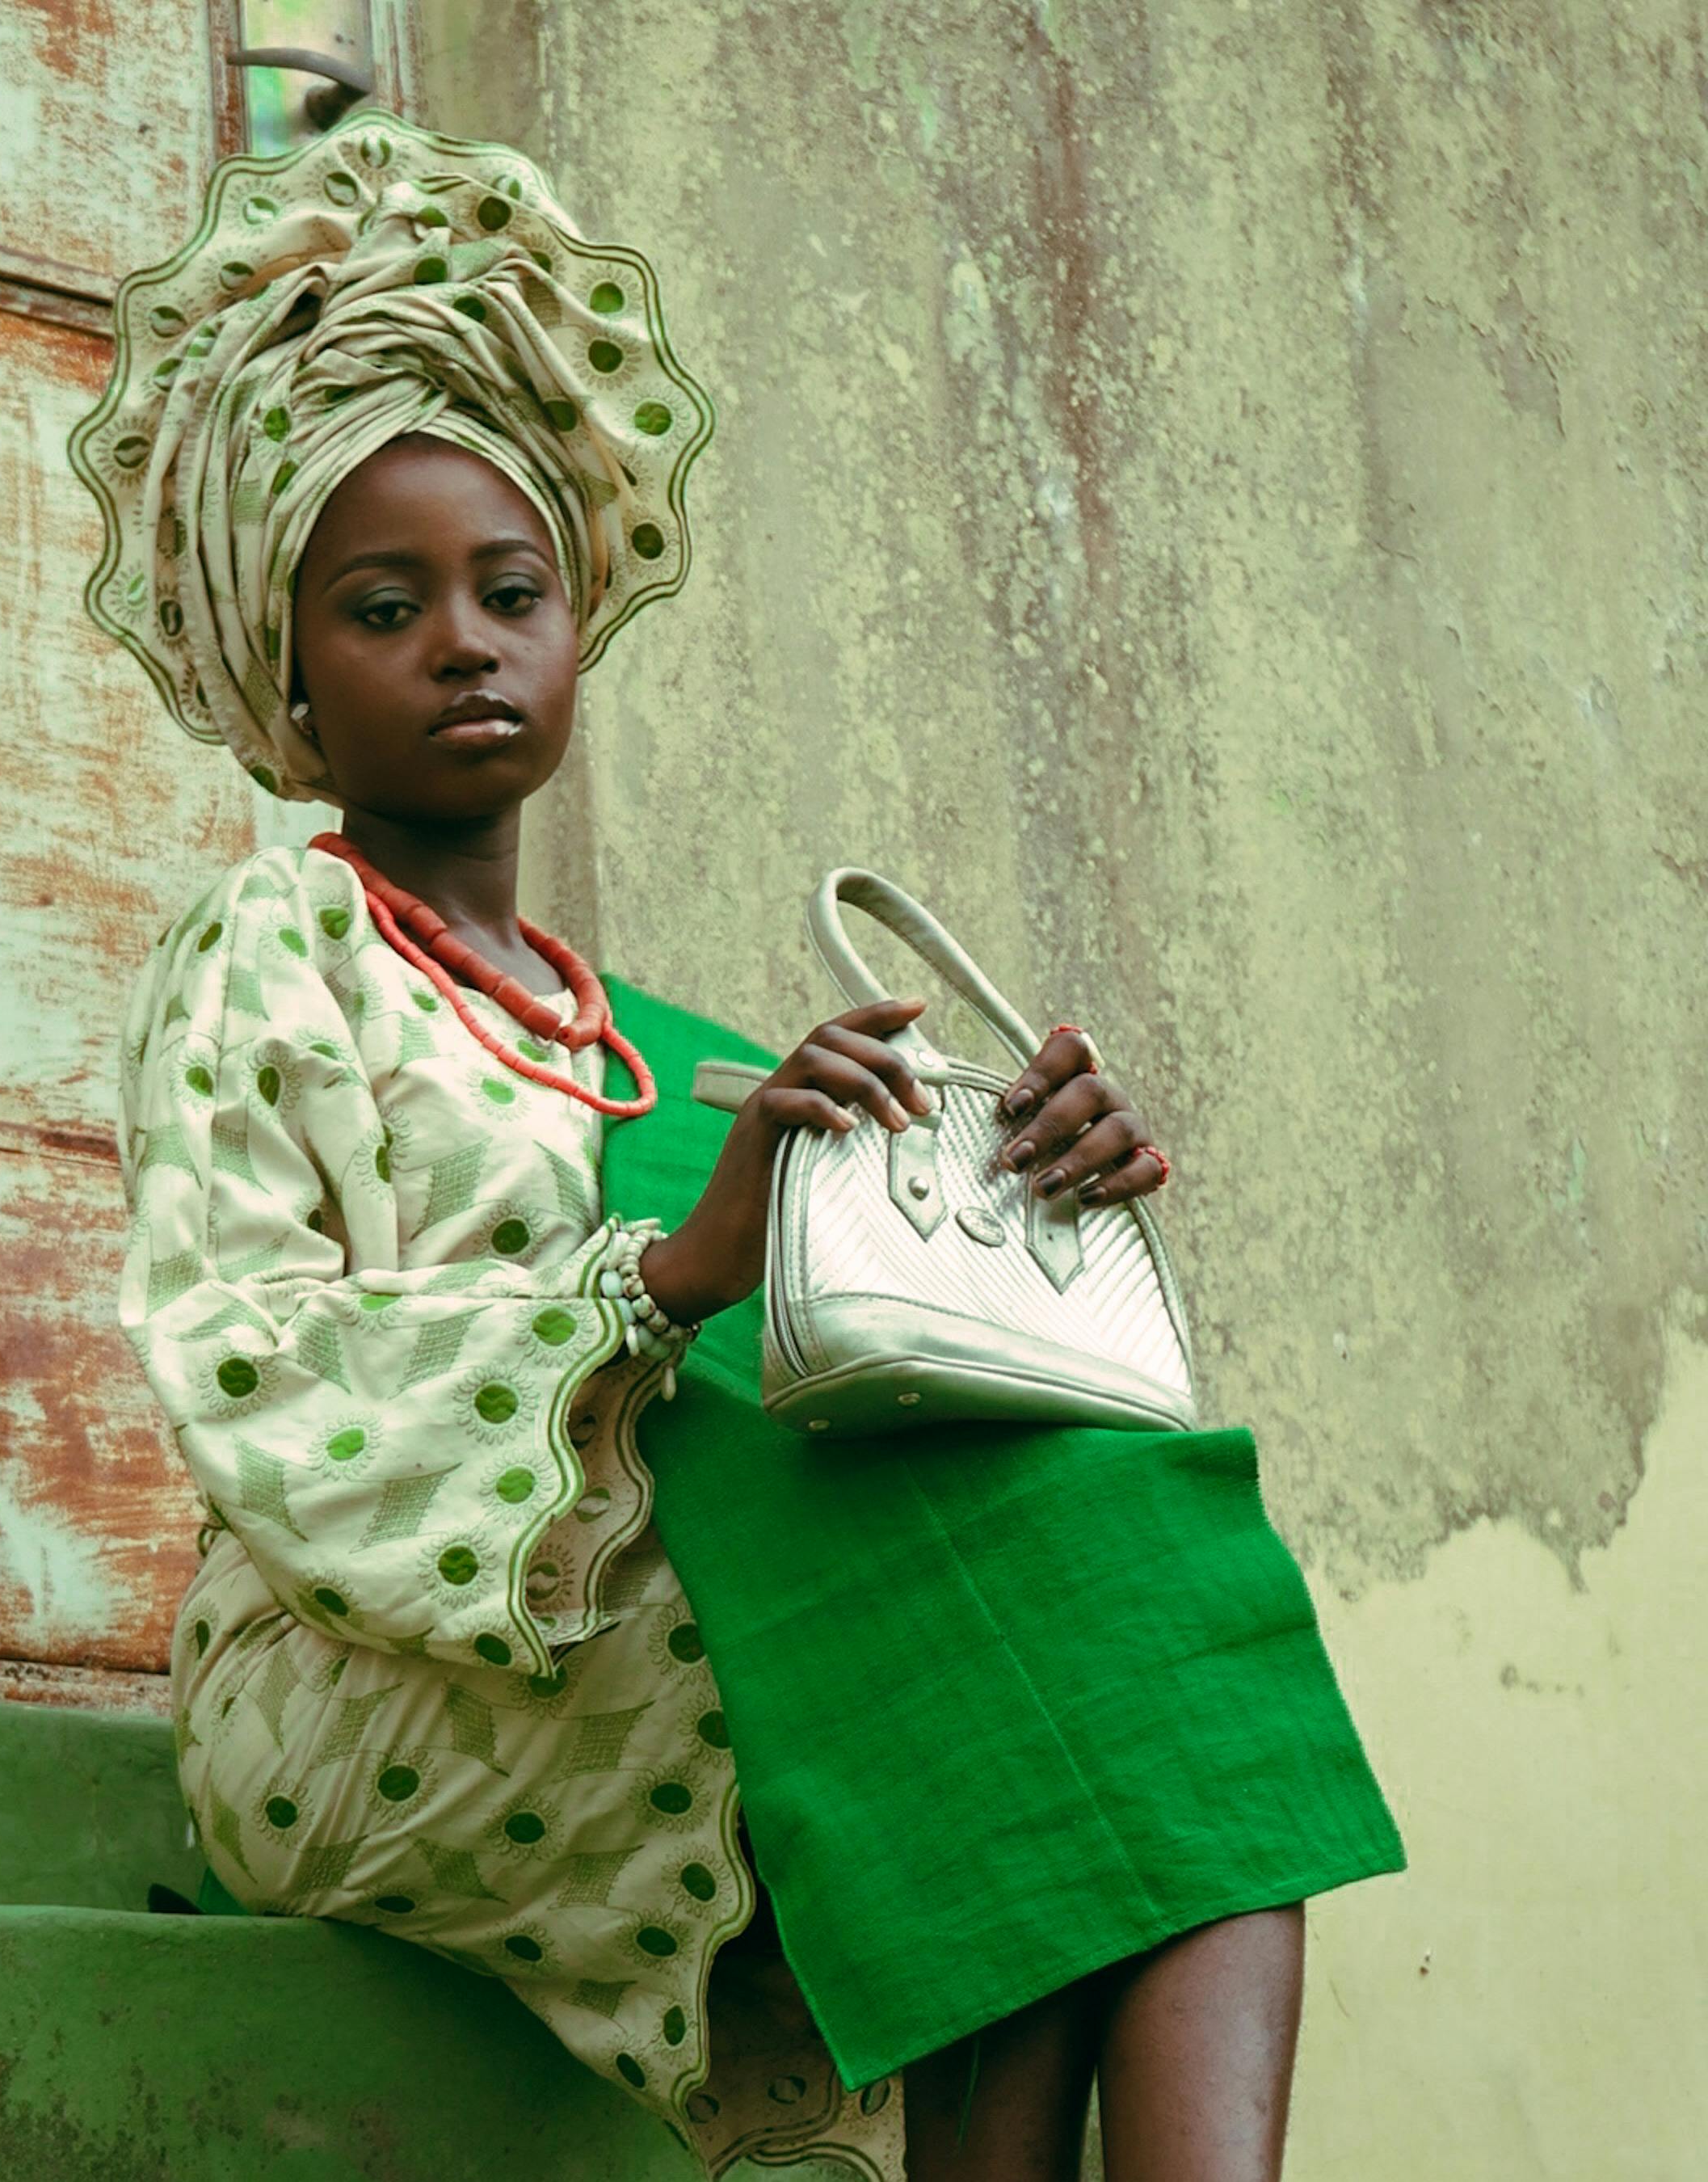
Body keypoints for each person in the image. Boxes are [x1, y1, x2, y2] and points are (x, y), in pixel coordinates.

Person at [72, 112, 1404, 2181]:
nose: (461, 641)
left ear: (577, 627)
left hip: (686, 1609)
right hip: (367, 1687)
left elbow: (827, 1376)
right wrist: (667, 1277)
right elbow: (260, 1363)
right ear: (288, 680)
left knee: (1109, 1557)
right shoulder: (269, 948)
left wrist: (1026, 1178)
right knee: (994, 1622)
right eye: (380, 606)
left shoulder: (640, 1043)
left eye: (510, 591)